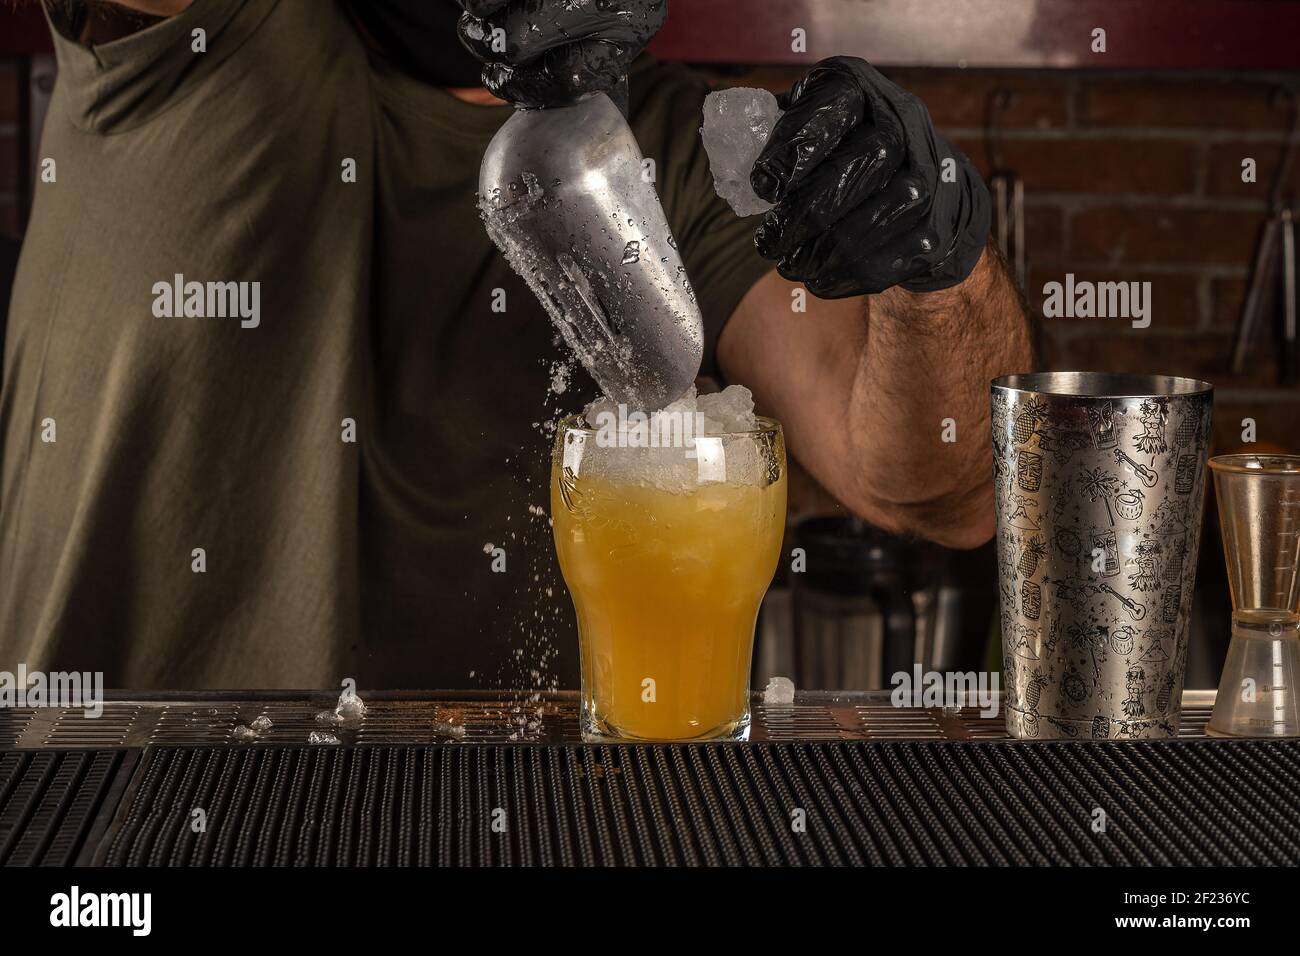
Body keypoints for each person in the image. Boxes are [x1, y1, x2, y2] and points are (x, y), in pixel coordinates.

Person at [0, 0, 1032, 689]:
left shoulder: (670, 151)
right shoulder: (206, 37)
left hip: (505, 813)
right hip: (113, 808)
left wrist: (936, 268)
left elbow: (945, 492)